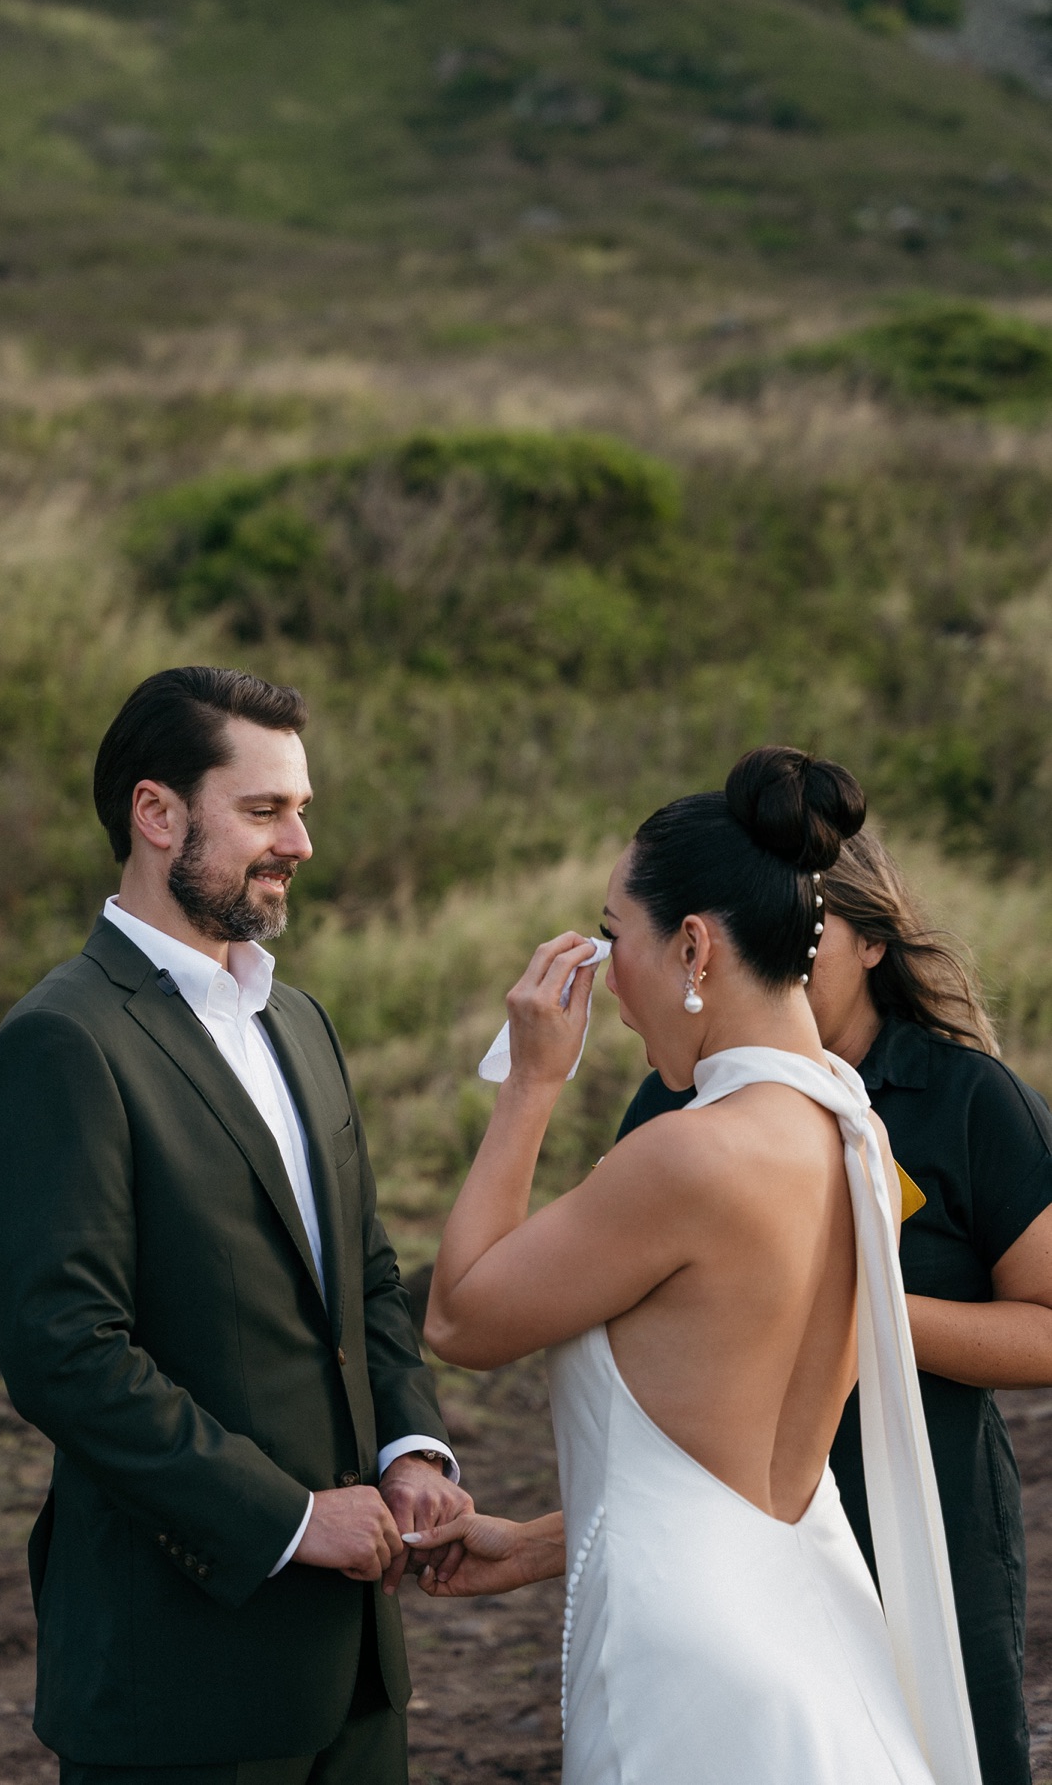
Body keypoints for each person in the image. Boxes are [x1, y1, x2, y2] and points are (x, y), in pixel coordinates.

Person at [417, 747, 980, 1785]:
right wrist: (547, 1541)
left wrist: (530, 1085)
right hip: (815, 1636)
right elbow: (740, 1457)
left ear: (692, 947)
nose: (602, 969)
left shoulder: (689, 1154)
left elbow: (458, 1318)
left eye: (610, 934)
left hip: (689, 1666)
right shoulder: (857, 1136)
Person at [0, 665, 465, 1785]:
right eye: (265, 810)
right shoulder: (62, 1045)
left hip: (360, 1676)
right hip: (180, 1676)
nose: (300, 843)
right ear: (157, 813)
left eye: (303, 809)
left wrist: (409, 1446)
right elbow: (65, 1355)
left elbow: (366, 1275)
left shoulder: (299, 1019)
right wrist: (288, 1520)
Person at [617, 827, 1052, 1785]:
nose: (785, 951)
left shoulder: (969, 1100)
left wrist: (862, 1312)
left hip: (926, 1534)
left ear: (874, 944)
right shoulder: (671, 1102)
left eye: (811, 930)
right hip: (728, 1533)